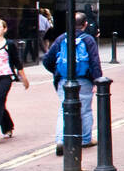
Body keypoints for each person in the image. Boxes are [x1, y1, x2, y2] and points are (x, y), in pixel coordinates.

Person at [41, 11, 102, 156]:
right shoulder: (88, 40)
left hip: (64, 80)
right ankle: (85, 139)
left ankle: (61, 140)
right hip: (84, 80)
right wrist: (97, 80)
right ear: (85, 24)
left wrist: (58, 72)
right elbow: (94, 62)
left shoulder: (61, 38)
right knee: (85, 110)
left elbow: (47, 60)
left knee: (64, 110)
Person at [0, 19, 30, 144]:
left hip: (5, 76)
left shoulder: (9, 44)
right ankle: (8, 126)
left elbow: (16, 61)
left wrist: (23, 78)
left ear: (5, 29)